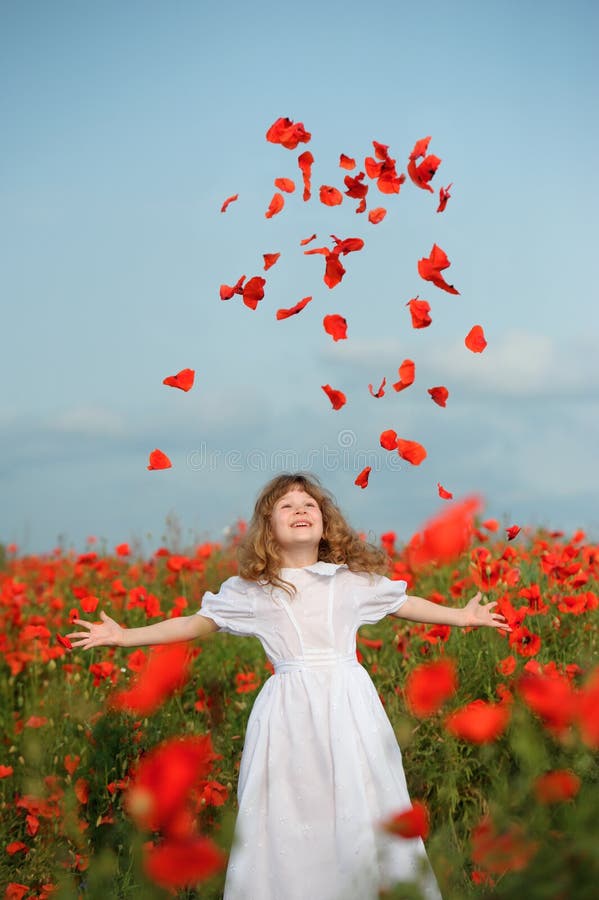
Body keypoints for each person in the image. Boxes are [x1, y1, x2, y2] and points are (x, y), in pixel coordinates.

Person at [67, 473, 510, 900]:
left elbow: (403, 603)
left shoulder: (349, 580)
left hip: (349, 707)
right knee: (289, 807)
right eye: (287, 506)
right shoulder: (254, 590)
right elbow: (195, 623)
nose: (300, 510)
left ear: (324, 523)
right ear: (269, 527)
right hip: (288, 713)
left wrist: (462, 616)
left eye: (309, 505)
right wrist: (125, 635)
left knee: (363, 797)